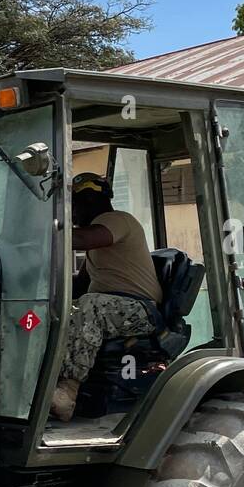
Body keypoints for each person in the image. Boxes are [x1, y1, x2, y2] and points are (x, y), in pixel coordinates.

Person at [50, 172, 163, 422]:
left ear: (89, 202)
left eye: (75, 205)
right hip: (111, 309)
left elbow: (82, 238)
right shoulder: (96, 247)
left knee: (90, 305)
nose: (74, 213)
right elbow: (80, 285)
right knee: (61, 310)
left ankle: (67, 392)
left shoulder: (118, 220)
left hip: (139, 310)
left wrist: (44, 229)